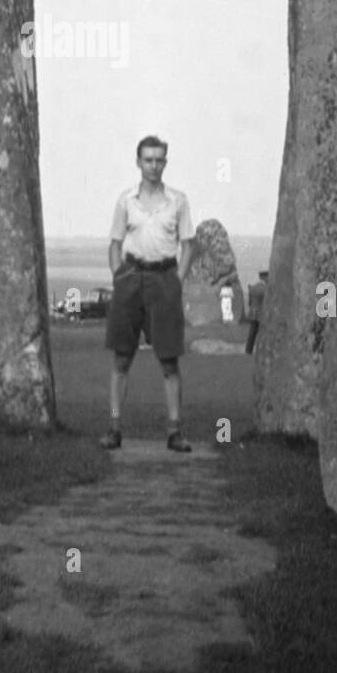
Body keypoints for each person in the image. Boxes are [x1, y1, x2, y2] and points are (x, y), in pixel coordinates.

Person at [100, 135, 196, 452]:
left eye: (159, 160)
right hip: (131, 278)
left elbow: (188, 245)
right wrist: (119, 276)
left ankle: (174, 431)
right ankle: (114, 429)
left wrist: (177, 280)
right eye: (148, 160)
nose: (153, 166)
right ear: (138, 162)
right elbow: (114, 244)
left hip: (164, 279)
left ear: (165, 163)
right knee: (122, 358)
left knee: (169, 361)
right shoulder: (126, 200)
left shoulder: (178, 201)